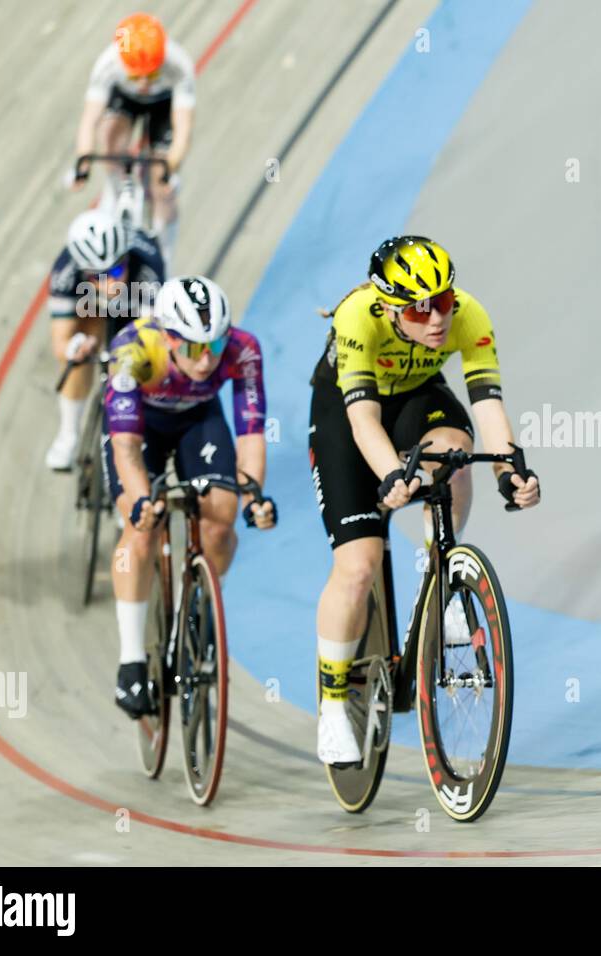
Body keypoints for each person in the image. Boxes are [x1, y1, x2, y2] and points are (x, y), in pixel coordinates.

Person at [308, 236, 539, 765]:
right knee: (358, 566)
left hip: (416, 394)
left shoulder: (468, 314)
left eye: (444, 302)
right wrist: (390, 473)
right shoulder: (356, 319)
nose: (437, 318)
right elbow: (364, 422)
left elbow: (488, 410)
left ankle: (442, 581)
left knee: (456, 456)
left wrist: (510, 472)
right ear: (388, 306)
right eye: (419, 308)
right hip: (346, 414)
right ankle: (335, 707)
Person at [103, 275, 276, 717]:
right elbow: (125, 447)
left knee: (221, 523)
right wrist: (143, 501)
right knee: (142, 530)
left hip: (198, 418)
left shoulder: (243, 349)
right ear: (168, 337)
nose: (207, 360)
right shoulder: (132, 351)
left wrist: (253, 494)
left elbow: (252, 434)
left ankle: (191, 613)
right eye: (196, 348)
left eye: (216, 346)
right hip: (141, 425)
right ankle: (130, 662)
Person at [45, 208, 165, 471]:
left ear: (126, 257)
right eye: (98, 276)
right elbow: (60, 341)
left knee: (146, 369)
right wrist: (75, 348)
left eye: (117, 269)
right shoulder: (65, 272)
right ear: (83, 270)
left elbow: (154, 338)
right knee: (75, 357)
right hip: (91, 305)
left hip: (136, 305)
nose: (111, 283)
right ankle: (68, 435)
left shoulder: (147, 266)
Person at [71, 13, 195, 266]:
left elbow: (183, 127)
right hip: (125, 99)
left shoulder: (179, 65)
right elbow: (90, 119)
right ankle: (117, 187)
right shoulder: (108, 64)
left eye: (150, 76)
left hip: (164, 104)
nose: (142, 84)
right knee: (109, 138)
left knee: (163, 187)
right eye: (135, 76)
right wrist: (83, 160)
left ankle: (164, 251)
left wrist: (170, 167)